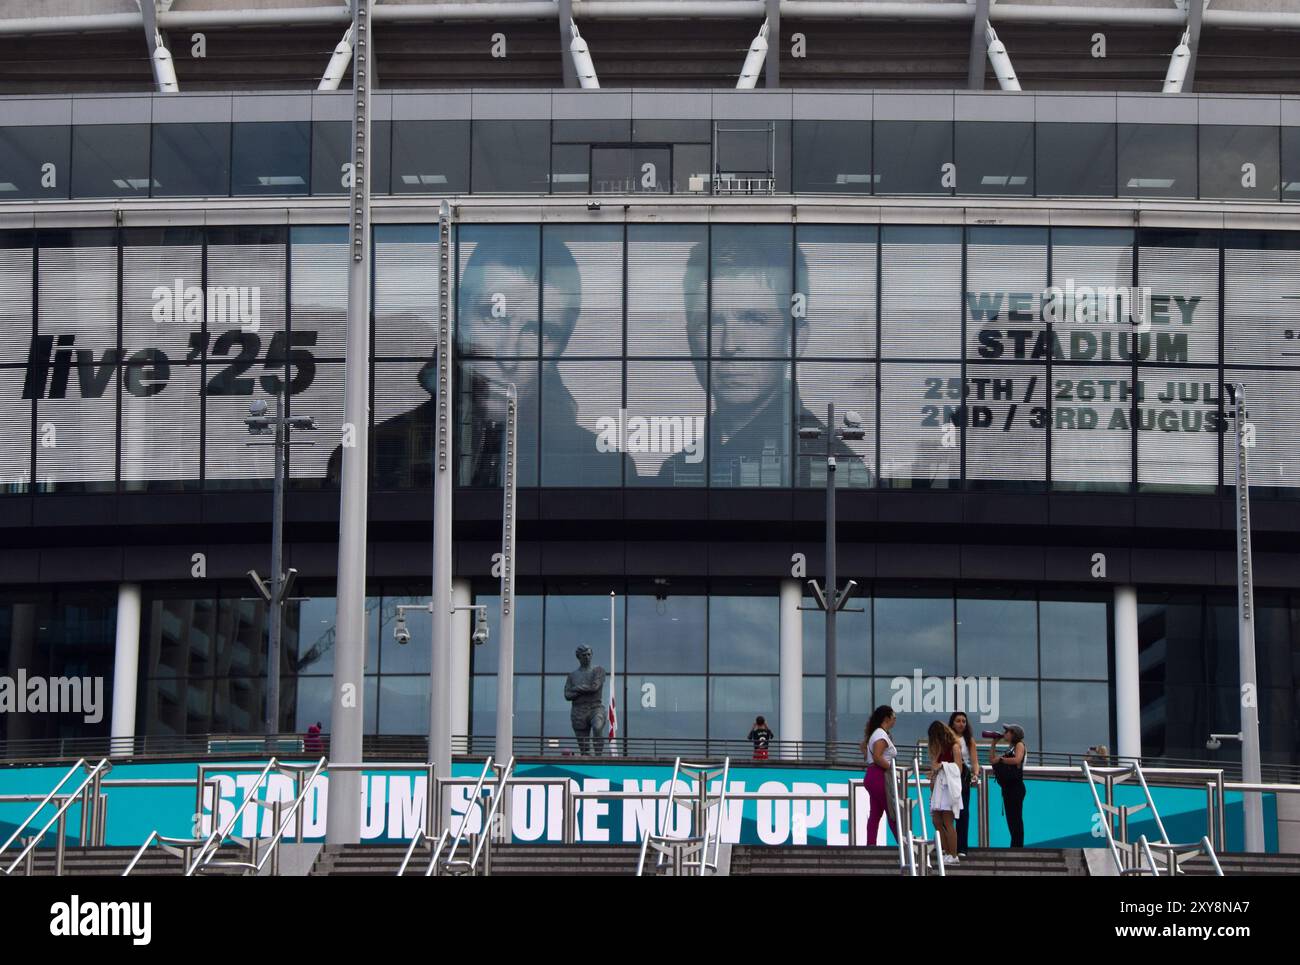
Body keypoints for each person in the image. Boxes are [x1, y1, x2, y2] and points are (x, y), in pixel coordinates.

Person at [326, 231, 622, 489]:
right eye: (493, 316)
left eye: (539, 332)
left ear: (561, 347)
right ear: (455, 312)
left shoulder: (605, 470)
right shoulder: (371, 456)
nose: (508, 354)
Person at [656, 236, 871, 487]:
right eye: (711, 322)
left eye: (753, 319)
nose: (729, 345)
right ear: (690, 339)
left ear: (795, 339)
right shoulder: (677, 469)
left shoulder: (830, 467)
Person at [860, 705, 898, 846]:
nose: (895, 720)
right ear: (887, 718)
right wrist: (894, 769)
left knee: (876, 813)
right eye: (894, 717)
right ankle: (904, 844)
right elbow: (877, 757)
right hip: (879, 775)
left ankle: (871, 844)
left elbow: (868, 752)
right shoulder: (881, 735)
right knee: (893, 811)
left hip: (873, 775)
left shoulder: (876, 734)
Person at [927, 720, 964, 865]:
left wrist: (942, 766)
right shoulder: (939, 750)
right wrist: (933, 774)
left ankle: (953, 854)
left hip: (948, 788)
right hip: (939, 787)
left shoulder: (954, 747)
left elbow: (958, 769)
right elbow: (934, 768)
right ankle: (946, 851)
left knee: (948, 822)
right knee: (936, 820)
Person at [947, 710, 980, 856]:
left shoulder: (969, 740)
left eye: (964, 721)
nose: (961, 724)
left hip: (963, 776)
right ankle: (947, 846)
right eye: (958, 721)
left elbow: (974, 761)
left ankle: (961, 848)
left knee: (963, 812)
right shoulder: (947, 738)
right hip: (948, 775)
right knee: (946, 812)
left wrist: (976, 774)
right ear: (952, 723)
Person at [989, 723, 1027, 848]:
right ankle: (1015, 844)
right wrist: (994, 744)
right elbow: (992, 760)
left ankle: (1018, 846)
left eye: (1007, 731)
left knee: (1016, 818)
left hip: (1016, 787)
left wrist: (1001, 759)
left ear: (1014, 734)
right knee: (1011, 819)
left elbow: (1017, 760)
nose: (1004, 734)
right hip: (1008, 788)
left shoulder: (1019, 745)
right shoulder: (1010, 748)